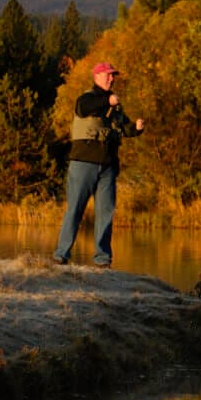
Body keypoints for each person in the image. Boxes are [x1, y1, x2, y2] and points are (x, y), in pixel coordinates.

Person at [53, 61, 144, 268]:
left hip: (108, 167)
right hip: (83, 163)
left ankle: (103, 260)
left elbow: (124, 128)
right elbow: (85, 108)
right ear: (97, 76)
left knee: (106, 213)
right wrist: (108, 101)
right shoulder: (87, 99)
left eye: (113, 76)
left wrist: (136, 128)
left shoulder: (115, 105)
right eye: (108, 75)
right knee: (75, 209)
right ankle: (61, 256)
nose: (112, 78)